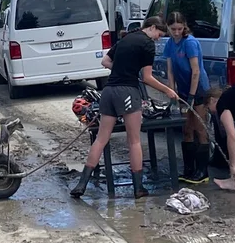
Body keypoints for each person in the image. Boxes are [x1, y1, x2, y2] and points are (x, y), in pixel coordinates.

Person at [70, 15, 183, 200]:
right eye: (159, 35)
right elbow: (147, 77)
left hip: (108, 92)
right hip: (127, 92)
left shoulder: (125, 38)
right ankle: (138, 188)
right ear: (152, 27)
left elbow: (105, 62)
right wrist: (168, 90)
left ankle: (81, 184)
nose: (158, 39)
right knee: (134, 141)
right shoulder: (147, 44)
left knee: (101, 139)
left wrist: (122, 69)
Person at [165, 12, 210, 185]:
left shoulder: (190, 42)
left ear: (184, 26)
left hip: (197, 88)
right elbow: (170, 70)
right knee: (186, 128)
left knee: (200, 128)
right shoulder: (170, 43)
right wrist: (172, 91)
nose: (176, 32)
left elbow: (196, 71)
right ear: (168, 27)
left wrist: (192, 96)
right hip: (183, 90)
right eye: (173, 29)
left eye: (179, 29)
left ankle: (202, 171)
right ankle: (188, 169)